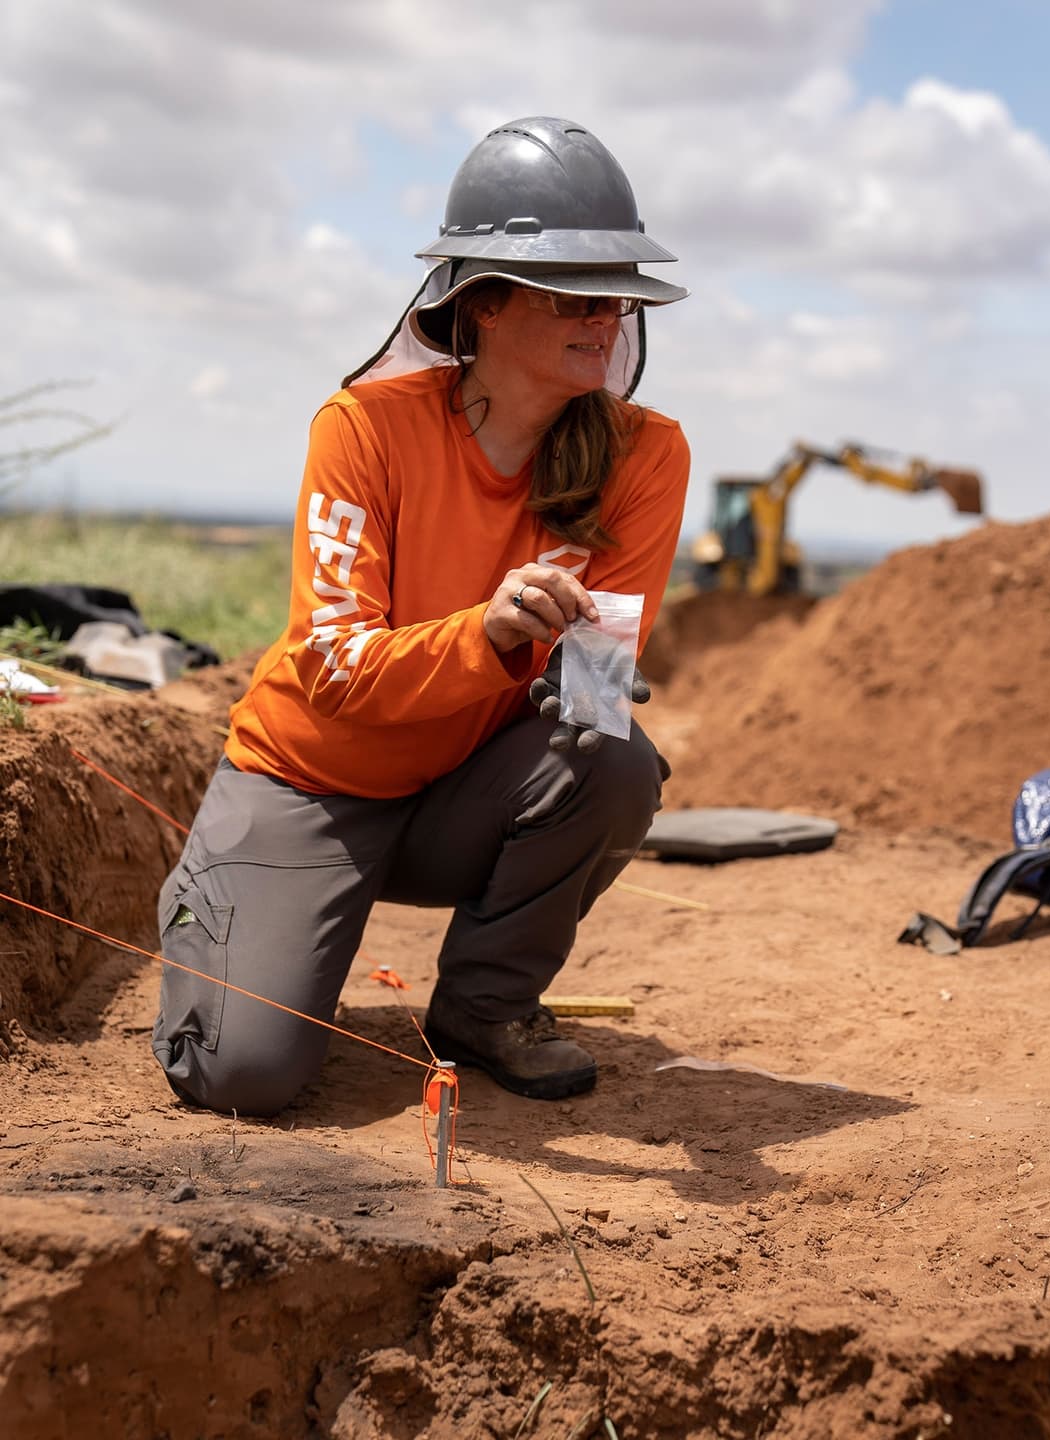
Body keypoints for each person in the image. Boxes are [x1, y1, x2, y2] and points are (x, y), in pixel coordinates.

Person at [151, 115, 691, 1115]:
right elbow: (333, 670)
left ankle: (487, 1008)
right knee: (240, 1074)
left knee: (612, 755)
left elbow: (595, 686)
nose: (607, 314)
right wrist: (487, 633)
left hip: (464, 796)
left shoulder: (648, 455)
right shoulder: (362, 429)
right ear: (481, 302)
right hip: (312, 784)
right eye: (573, 292)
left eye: (619, 291)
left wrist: (583, 678)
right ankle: (236, 898)